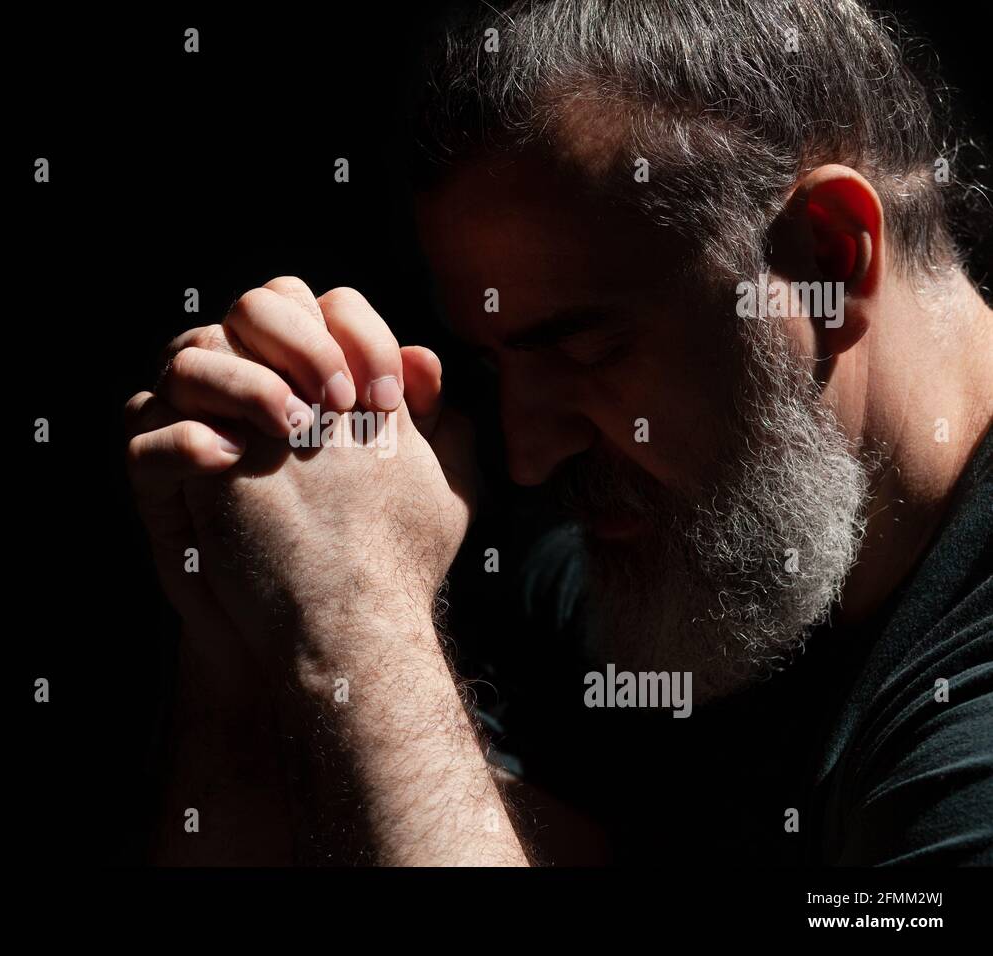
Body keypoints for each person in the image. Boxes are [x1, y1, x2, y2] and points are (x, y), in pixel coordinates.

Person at [129, 0, 993, 865]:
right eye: (497, 365)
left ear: (827, 261)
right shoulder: (668, 580)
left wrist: (356, 608)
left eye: (585, 350)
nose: (529, 456)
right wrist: (248, 578)